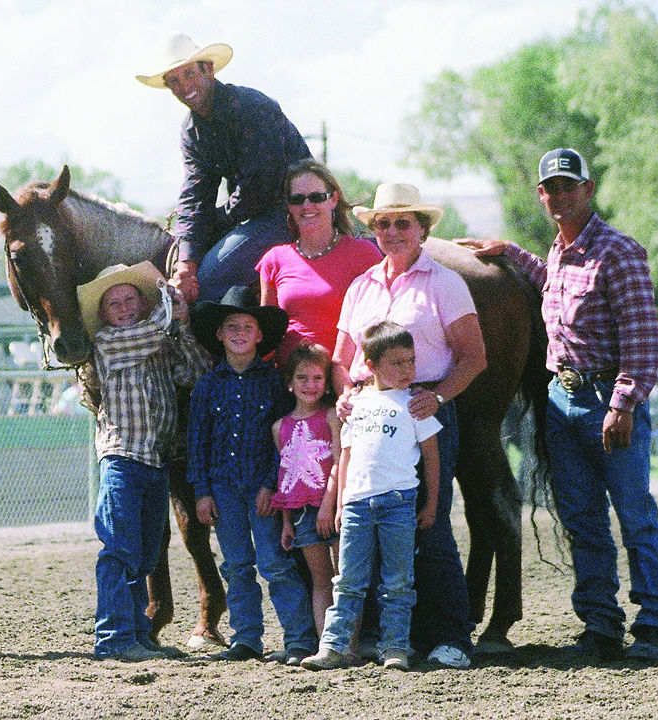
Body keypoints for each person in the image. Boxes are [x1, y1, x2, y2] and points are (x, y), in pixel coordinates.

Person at [461, 148, 658, 661]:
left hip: (606, 398)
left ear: (588, 188)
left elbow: (644, 339)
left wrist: (622, 405)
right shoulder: (559, 253)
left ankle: (654, 624)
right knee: (581, 518)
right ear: (541, 195)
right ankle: (601, 623)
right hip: (563, 398)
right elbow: (547, 284)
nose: (558, 195)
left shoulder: (620, 252)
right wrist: (511, 252)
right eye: (550, 188)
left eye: (568, 186)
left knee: (634, 514)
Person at [334, 182, 486, 669]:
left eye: (403, 222)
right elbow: (343, 360)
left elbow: (473, 356)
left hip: (423, 411)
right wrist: (346, 395)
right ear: (373, 228)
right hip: (371, 417)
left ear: (422, 229)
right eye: (383, 222)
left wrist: (438, 396)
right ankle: (388, 636)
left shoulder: (444, 282)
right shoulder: (360, 287)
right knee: (373, 526)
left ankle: (453, 638)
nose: (393, 231)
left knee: (430, 523)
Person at [77, 261, 209, 662]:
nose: (123, 307)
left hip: (155, 460)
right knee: (120, 548)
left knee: (146, 552)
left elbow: (197, 371)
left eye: (130, 299)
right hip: (124, 457)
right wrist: (173, 308)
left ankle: (135, 633)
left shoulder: (158, 338)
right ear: (102, 314)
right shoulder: (108, 342)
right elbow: (157, 335)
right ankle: (114, 638)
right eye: (113, 303)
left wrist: (182, 327)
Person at [187, 286, 318, 665]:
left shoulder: (275, 382)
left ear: (260, 335)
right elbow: (198, 443)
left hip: (262, 489)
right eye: (232, 327)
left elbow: (286, 439)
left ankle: (298, 639)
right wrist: (202, 492)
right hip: (223, 489)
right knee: (236, 565)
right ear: (220, 334)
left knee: (275, 563)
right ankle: (245, 638)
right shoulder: (208, 386)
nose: (240, 333)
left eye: (247, 326)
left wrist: (270, 485)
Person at [302, 322, 441, 671]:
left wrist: (432, 502)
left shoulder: (415, 404)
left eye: (411, 361)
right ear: (371, 364)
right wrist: (341, 501)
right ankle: (333, 646)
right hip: (358, 506)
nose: (407, 370)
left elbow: (432, 457)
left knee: (397, 581)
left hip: (398, 503)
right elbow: (346, 456)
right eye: (396, 363)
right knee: (348, 579)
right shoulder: (356, 404)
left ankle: (395, 648)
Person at [136, 34, 312, 304]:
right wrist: (186, 260)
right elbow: (196, 193)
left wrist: (210, 226)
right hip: (253, 215)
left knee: (210, 280)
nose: (184, 86)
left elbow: (260, 189)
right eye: (174, 80)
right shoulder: (192, 131)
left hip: (294, 209)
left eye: (189, 74)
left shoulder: (252, 108)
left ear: (208, 69)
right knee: (183, 265)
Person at [257, 159, 383, 367]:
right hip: (291, 385)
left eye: (316, 197)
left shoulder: (364, 254)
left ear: (333, 199)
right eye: (297, 199)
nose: (306, 206)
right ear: (289, 205)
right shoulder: (274, 260)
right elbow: (267, 334)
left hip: (347, 382)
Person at [269, 343, 341, 638]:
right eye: (301, 378)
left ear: (326, 384)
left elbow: (339, 462)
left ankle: (349, 641)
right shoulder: (279, 427)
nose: (309, 385)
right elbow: (285, 476)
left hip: (334, 508)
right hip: (301, 514)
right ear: (289, 383)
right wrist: (286, 521)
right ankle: (326, 643)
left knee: (345, 579)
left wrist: (329, 505)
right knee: (321, 580)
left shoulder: (331, 417)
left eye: (317, 378)